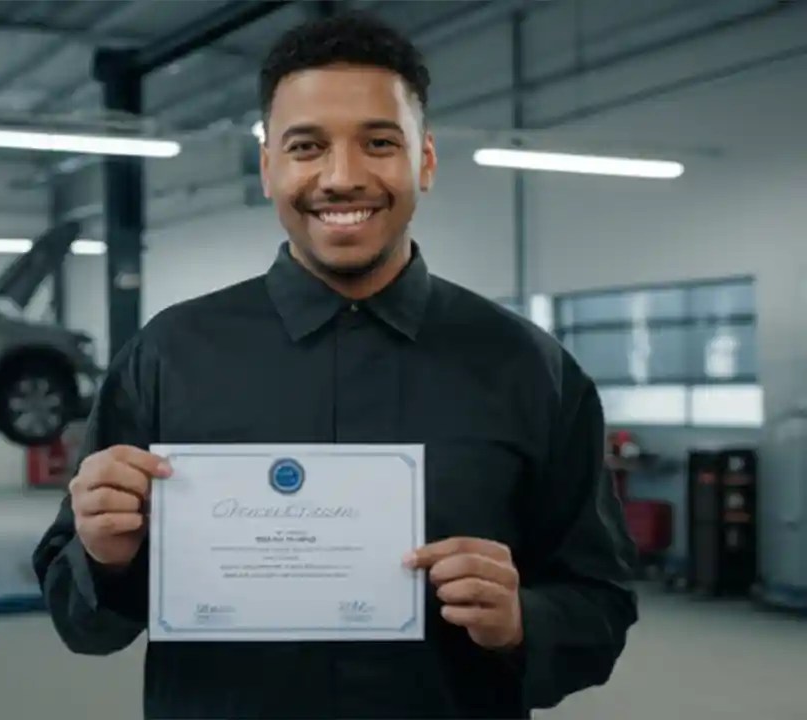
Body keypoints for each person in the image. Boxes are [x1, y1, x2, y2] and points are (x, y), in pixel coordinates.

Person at [32, 11, 639, 719]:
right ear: (269, 168)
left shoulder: (531, 369)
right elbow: (82, 622)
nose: (342, 177)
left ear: (426, 160)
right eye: (306, 146)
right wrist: (105, 558)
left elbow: (600, 602)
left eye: (380, 143)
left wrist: (521, 621)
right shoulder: (168, 357)